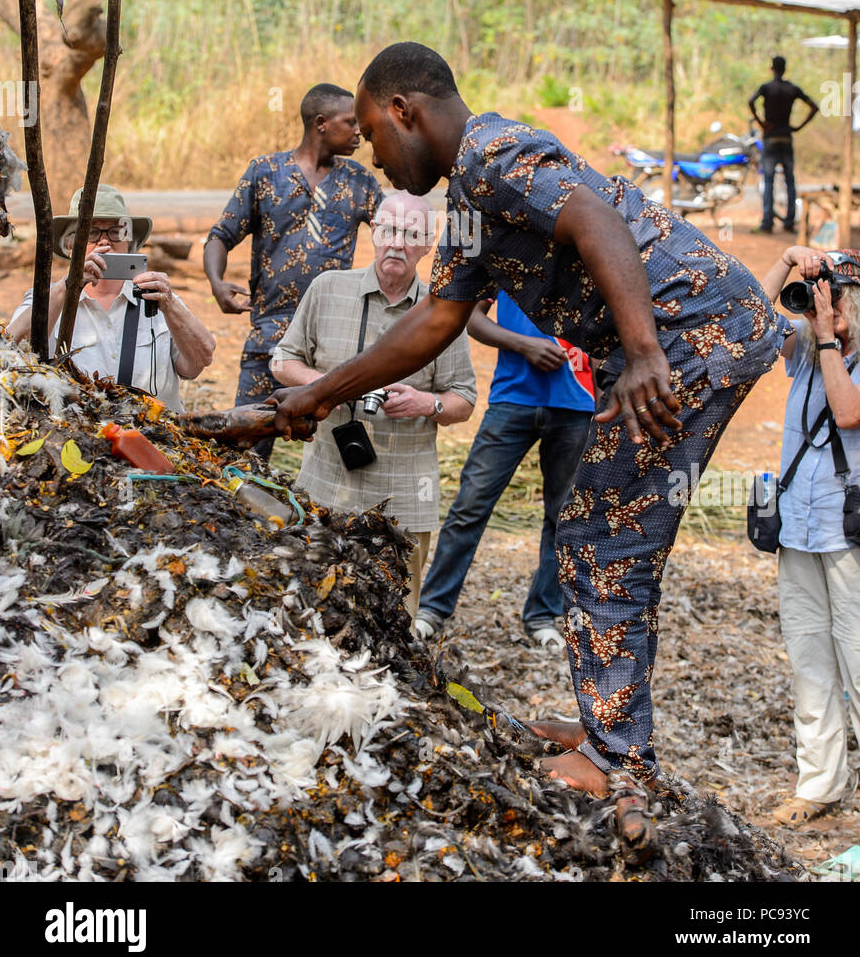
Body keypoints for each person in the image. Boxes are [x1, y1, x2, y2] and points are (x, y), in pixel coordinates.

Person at [270, 41, 790, 809]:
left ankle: (621, 760)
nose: (373, 157)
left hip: (691, 336)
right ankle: (610, 732)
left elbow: (595, 218)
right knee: (597, 531)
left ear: (403, 112)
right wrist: (321, 394)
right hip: (683, 340)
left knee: (602, 539)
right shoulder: (473, 205)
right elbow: (436, 321)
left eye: (373, 135)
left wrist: (641, 352)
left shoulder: (492, 152)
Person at [270, 191, 477, 620]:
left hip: (404, 496)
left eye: (410, 233)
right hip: (325, 483)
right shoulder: (328, 288)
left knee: (394, 622)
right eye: (389, 230)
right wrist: (331, 387)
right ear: (373, 234)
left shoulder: (443, 313)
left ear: (428, 243)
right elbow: (283, 361)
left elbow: (464, 401)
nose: (397, 243)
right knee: (312, 608)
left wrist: (426, 402)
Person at [204, 83, 384, 447]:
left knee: (339, 448)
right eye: (349, 123)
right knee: (246, 445)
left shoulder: (359, 181)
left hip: (332, 344)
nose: (358, 132)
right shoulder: (265, 173)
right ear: (321, 123)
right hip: (270, 338)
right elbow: (221, 236)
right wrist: (216, 283)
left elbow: (395, 233)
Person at [415, 291, 594, 648]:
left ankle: (543, 614)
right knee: (470, 505)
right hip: (512, 399)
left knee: (564, 518)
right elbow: (472, 317)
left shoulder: (595, 253)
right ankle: (431, 609)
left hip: (578, 402)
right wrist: (525, 345)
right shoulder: (509, 252)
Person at [759, 245, 860, 825]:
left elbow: (847, 412)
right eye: (821, 296)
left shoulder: (829, 351)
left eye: (837, 296)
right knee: (810, 660)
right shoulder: (803, 352)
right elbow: (744, 317)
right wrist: (786, 261)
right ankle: (819, 785)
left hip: (849, 536)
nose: (825, 307)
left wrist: (826, 337)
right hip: (798, 527)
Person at [8, 184, 215, 411]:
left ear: (129, 245)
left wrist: (171, 304)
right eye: (91, 232)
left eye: (116, 232)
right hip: (79, 438)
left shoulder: (158, 297)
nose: (105, 242)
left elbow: (199, 361)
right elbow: (10, 353)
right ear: (70, 247)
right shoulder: (49, 298)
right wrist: (67, 287)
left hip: (158, 437)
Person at [749, 55, 818, 234]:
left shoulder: (766, 88)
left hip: (771, 138)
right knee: (789, 181)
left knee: (769, 181)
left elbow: (750, 101)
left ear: (772, 69)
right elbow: (814, 107)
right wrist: (798, 127)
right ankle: (789, 221)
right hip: (786, 137)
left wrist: (761, 122)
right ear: (785, 69)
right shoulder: (792, 89)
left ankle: (767, 222)